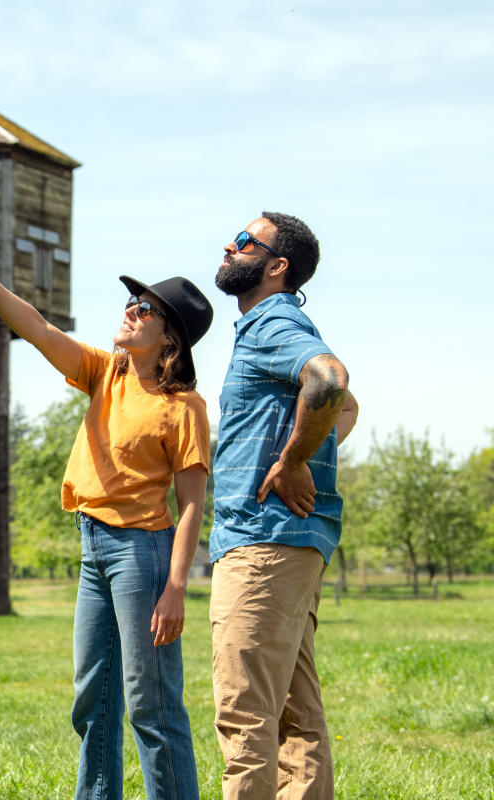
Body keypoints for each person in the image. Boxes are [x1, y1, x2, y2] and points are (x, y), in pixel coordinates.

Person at [0, 240, 213, 800]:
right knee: (93, 696)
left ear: (170, 336)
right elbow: (38, 329)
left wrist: (177, 588)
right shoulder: (104, 374)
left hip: (144, 555)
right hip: (94, 549)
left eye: (145, 308)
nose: (130, 310)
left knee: (149, 702)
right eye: (131, 301)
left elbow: (191, 506)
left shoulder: (183, 407)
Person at [209, 212, 360, 800]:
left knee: (244, 715)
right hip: (291, 543)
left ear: (277, 266)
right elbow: (345, 410)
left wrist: (293, 462)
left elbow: (331, 381)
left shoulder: (272, 320)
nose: (230, 244)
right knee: (296, 717)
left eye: (245, 241)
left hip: (263, 544)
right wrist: (293, 456)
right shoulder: (275, 325)